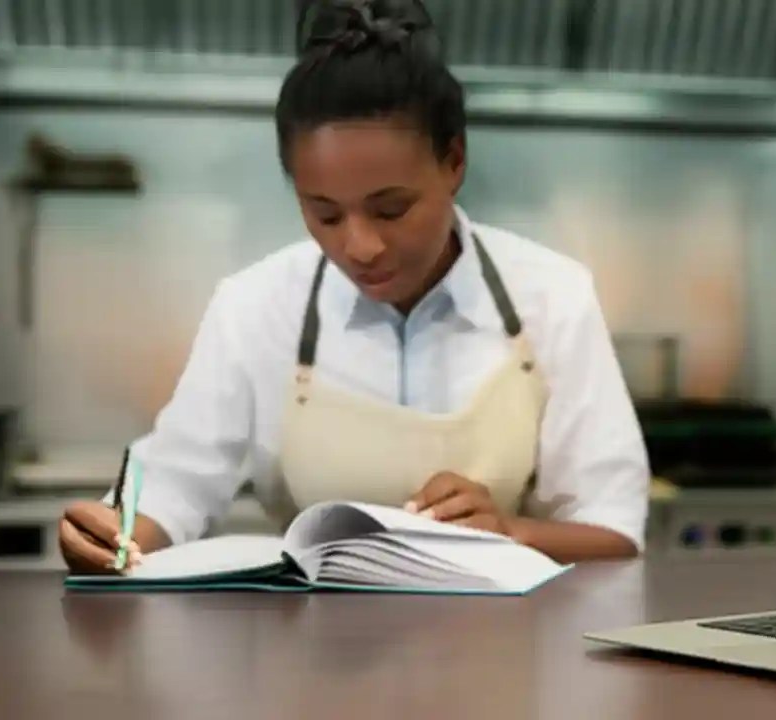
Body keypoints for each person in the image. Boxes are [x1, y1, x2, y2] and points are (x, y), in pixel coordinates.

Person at [58, 0, 649, 573]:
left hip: (506, 658)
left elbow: (615, 529)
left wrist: (511, 533)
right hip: (310, 657)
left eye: (390, 210)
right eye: (326, 215)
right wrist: (116, 533)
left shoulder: (552, 297)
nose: (360, 246)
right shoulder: (255, 307)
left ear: (454, 161)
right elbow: (178, 481)